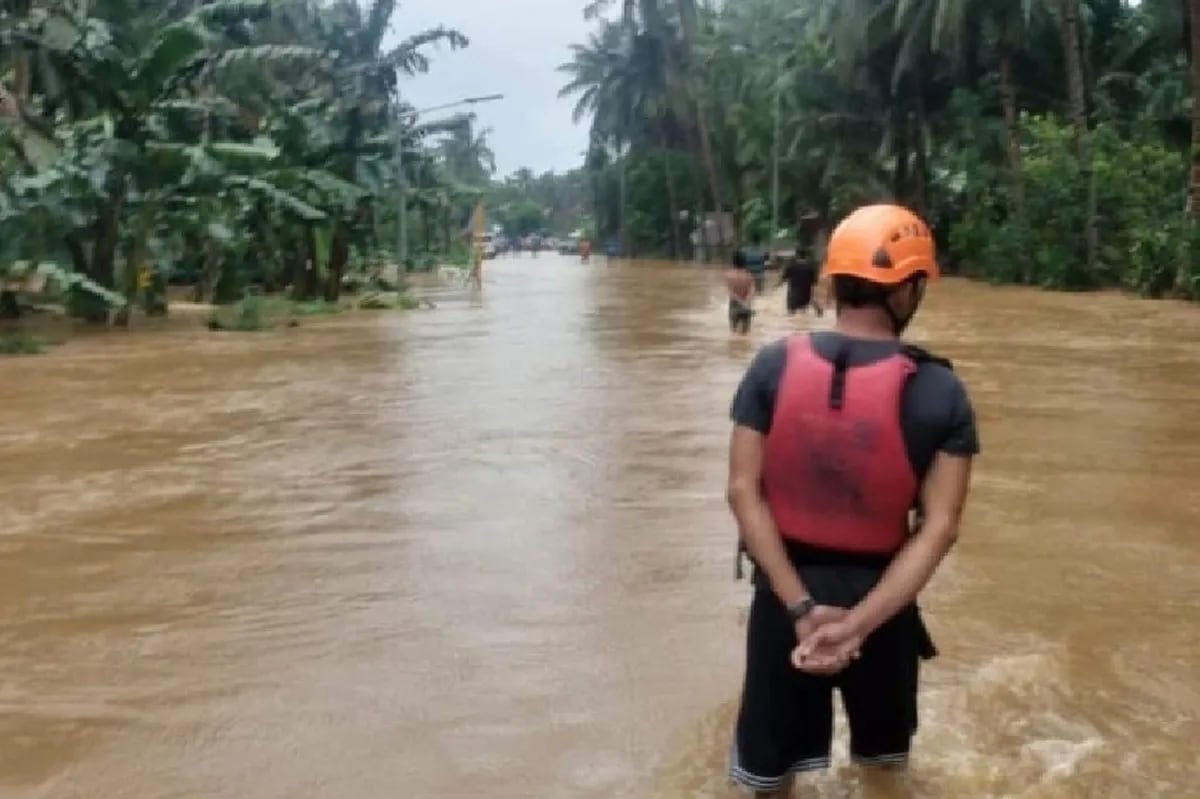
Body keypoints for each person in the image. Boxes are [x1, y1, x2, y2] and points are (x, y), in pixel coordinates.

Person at [725, 204, 979, 797]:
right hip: (882, 609)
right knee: (884, 769)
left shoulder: (770, 366)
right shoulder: (940, 389)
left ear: (834, 283)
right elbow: (940, 528)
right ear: (909, 289)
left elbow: (742, 492)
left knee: (769, 778)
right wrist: (857, 626)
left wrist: (800, 610)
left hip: (784, 601)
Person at [725, 251, 757, 336]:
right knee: (745, 334)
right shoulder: (749, 275)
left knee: (733, 333)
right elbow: (752, 292)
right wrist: (746, 302)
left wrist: (740, 302)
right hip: (746, 307)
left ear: (733, 262)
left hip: (734, 306)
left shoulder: (729, 276)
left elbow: (731, 293)